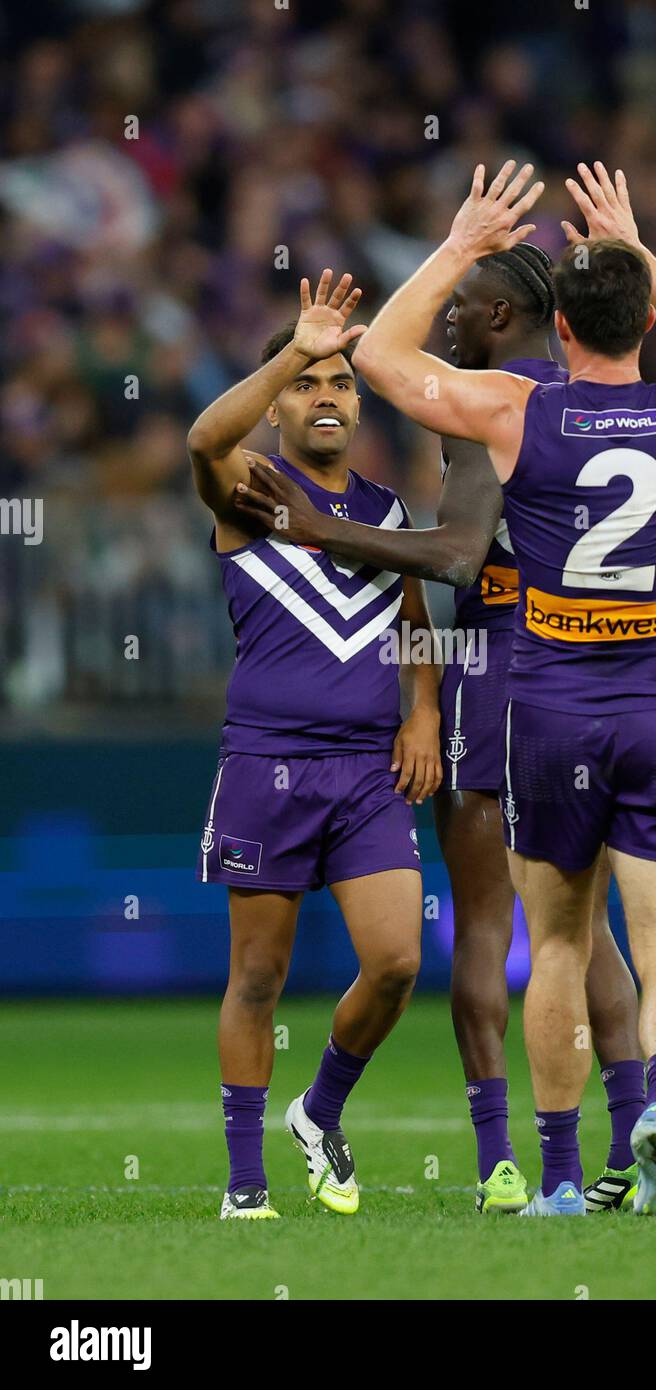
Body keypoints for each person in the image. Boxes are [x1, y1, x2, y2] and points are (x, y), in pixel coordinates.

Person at [345, 159, 656, 1216]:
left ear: (558, 332)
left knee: (559, 946)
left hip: (551, 710)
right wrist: (639, 249)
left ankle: (561, 1180)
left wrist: (459, 246)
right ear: (641, 323)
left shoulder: (519, 414)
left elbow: (381, 359)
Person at [235, 245, 645, 1216]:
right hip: (597, 666)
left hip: (501, 667)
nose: (446, 325)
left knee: (487, 927)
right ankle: (630, 1142)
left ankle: (502, 1160)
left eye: (460, 309)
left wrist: (321, 529)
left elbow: (459, 555)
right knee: (584, 931)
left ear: (499, 316)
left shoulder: (485, 405)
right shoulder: (614, 405)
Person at [189, 270, 442, 1220]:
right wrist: (294, 345)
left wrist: (424, 712)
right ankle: (244, 1184)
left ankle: (320, 1108)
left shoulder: (384, 510)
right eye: (307, 382)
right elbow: (202, 437)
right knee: (257, 977)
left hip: (370, 771)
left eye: (341, 380)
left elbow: (417, 624)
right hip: (266, 763)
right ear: (280, 400)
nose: (328, 394)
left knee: (398, 963)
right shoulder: (246, 488)